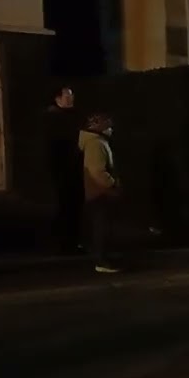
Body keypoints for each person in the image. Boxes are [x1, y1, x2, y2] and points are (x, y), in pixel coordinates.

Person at [43, 86, 84, 253]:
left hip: (70, 169)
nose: (70, 99)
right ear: (57, 99)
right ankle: (67, 243)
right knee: (67, 207)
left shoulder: (68, 116)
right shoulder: (54, 119)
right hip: (64, 171)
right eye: (67, 97)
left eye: (71, 96)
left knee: (70, 207)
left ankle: (68, 242)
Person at [78, 113, 120, 274]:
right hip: (101, 192)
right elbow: (97, 171)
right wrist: (112, 184)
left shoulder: (94, 142)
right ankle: (102, 261)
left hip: (96, 191)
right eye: (108, 126)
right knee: (102, 227)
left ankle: (102, 258)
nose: (110, 129)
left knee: (100, 226)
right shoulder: (96, 144)